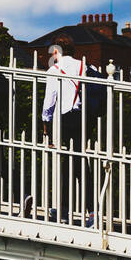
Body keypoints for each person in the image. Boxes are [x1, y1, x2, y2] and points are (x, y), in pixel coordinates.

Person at [42, 37, 90, 223]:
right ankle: (90, 209)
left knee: (66, 165)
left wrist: (46, 124)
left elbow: (49, 101)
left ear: (58, 51)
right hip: (82, 117)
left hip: (64, 118)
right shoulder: (83, 66)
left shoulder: (54, 70)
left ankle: (63, 209)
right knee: (79, 163)